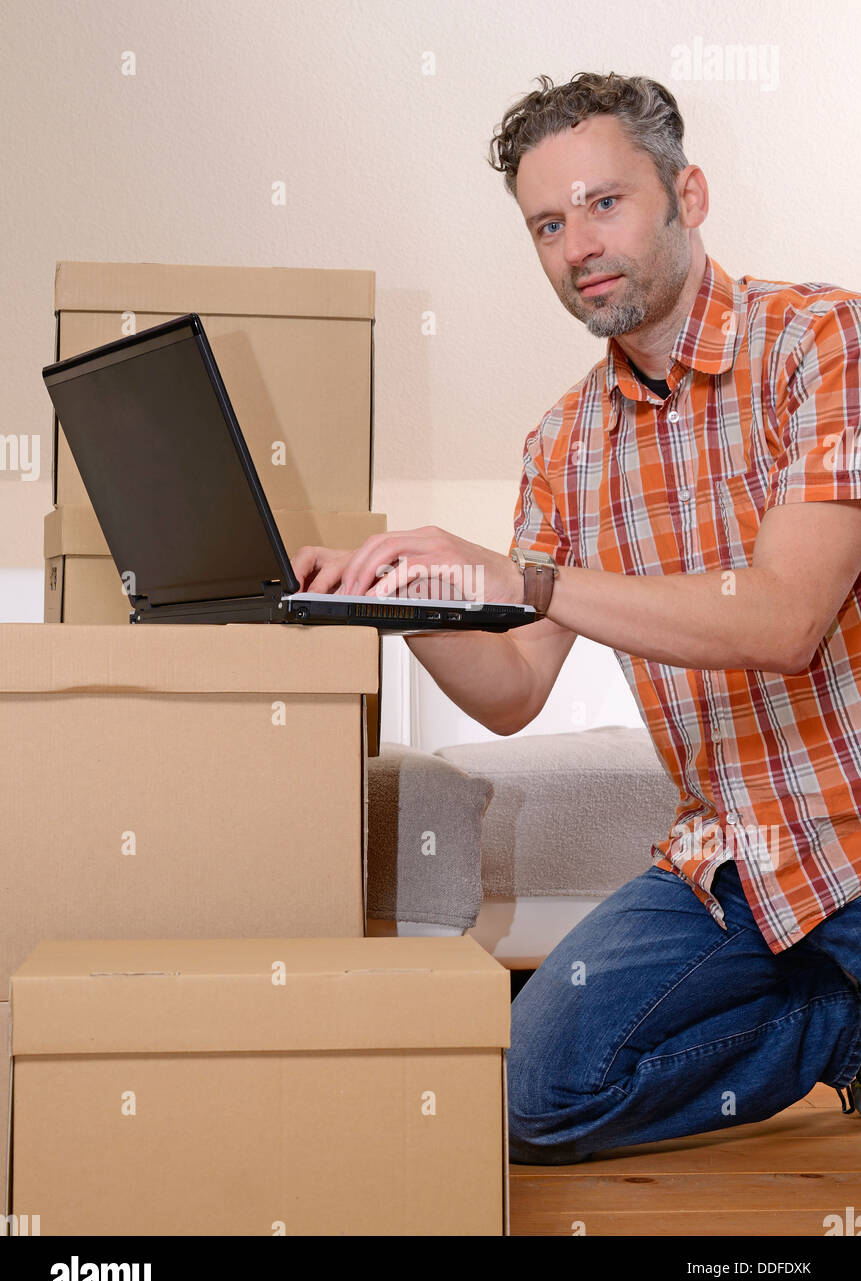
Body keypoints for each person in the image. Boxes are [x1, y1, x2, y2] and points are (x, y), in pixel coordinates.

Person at [292, 71, 861, 1163]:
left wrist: (527, 576)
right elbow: (511, 689)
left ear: (687, 194)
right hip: (729, 860)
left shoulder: (821, 345)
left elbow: (785, 619)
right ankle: (842, 1027)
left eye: (606, 203)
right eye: (548, 224)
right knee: (531, 1098)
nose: (578, 245)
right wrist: (400, 604)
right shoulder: (566, 443)